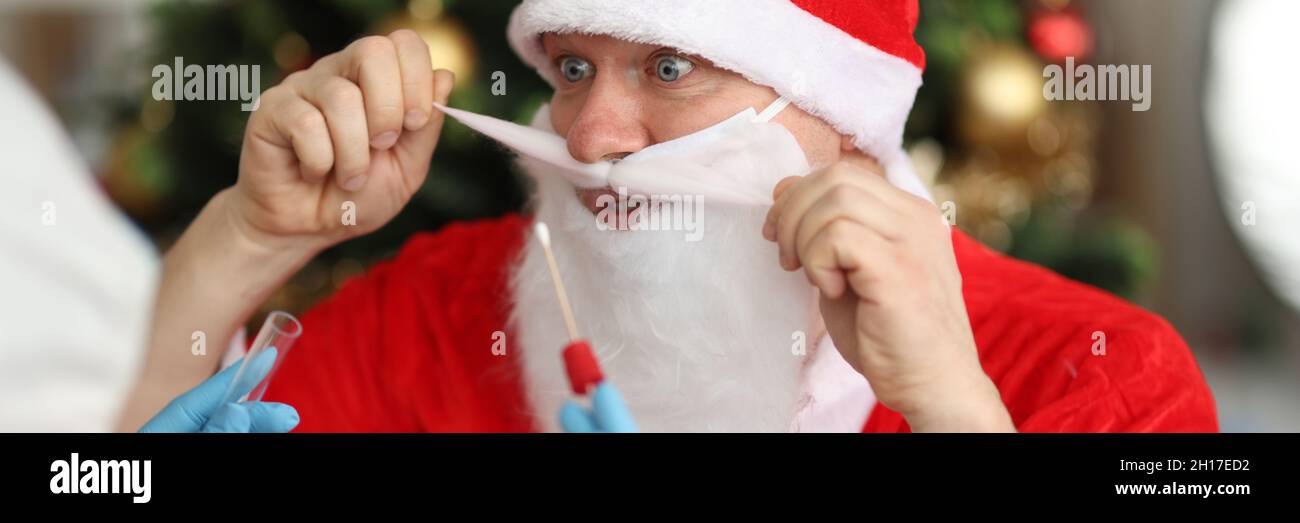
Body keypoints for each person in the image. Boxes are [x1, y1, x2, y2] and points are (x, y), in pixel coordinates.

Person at [118, 0, 1218, 433]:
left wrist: (948, 406)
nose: (593, 134)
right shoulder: (447, 307)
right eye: (576, 65)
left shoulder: (1104, 371)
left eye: (673, 66)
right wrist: (250, 238)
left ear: (833, 112)